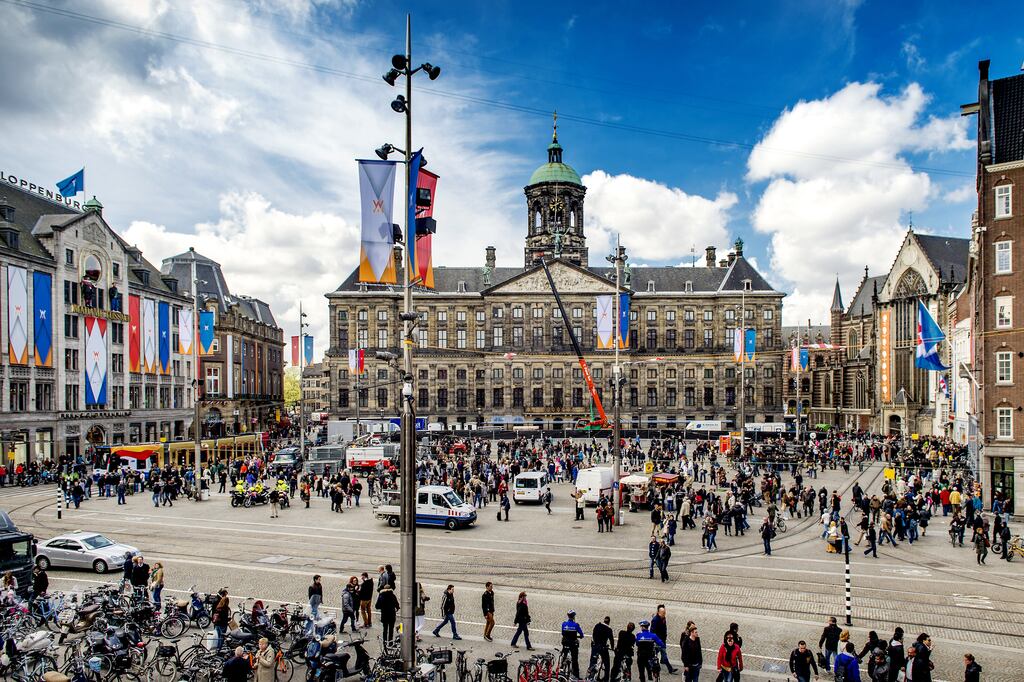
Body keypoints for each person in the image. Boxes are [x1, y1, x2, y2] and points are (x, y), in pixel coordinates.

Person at [651, 605, 676, 674]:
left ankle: (669, 668)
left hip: (662, 640)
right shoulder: (655, 620)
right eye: (663, 613)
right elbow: (652, 631)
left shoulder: (663, 618)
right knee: (657, 654)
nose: (664, 614)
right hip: (658, 641)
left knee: (662, 654)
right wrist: (655, 640)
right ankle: (669, 668)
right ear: (659, 613)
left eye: (665, 613)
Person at [561, 610, 585, 678]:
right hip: (573, 644)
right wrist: (579, 636)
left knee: (564, 656)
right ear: (574, 616)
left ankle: (561, 669)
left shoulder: (564, 624)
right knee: (575, 659)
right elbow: (581, 635)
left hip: (565, 642)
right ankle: (576, 674)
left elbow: (563, 633)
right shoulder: (576, 625)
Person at [590, 616, 614, 682]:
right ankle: (606, 679)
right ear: (609, 622)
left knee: (593, 660)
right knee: (607, 663)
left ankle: (590, 675)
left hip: (595, 646)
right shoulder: (609, 629)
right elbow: (611, 640)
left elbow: (593, 634)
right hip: (603, 648)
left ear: (604, 621)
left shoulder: (597, 625)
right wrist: (612, 647)